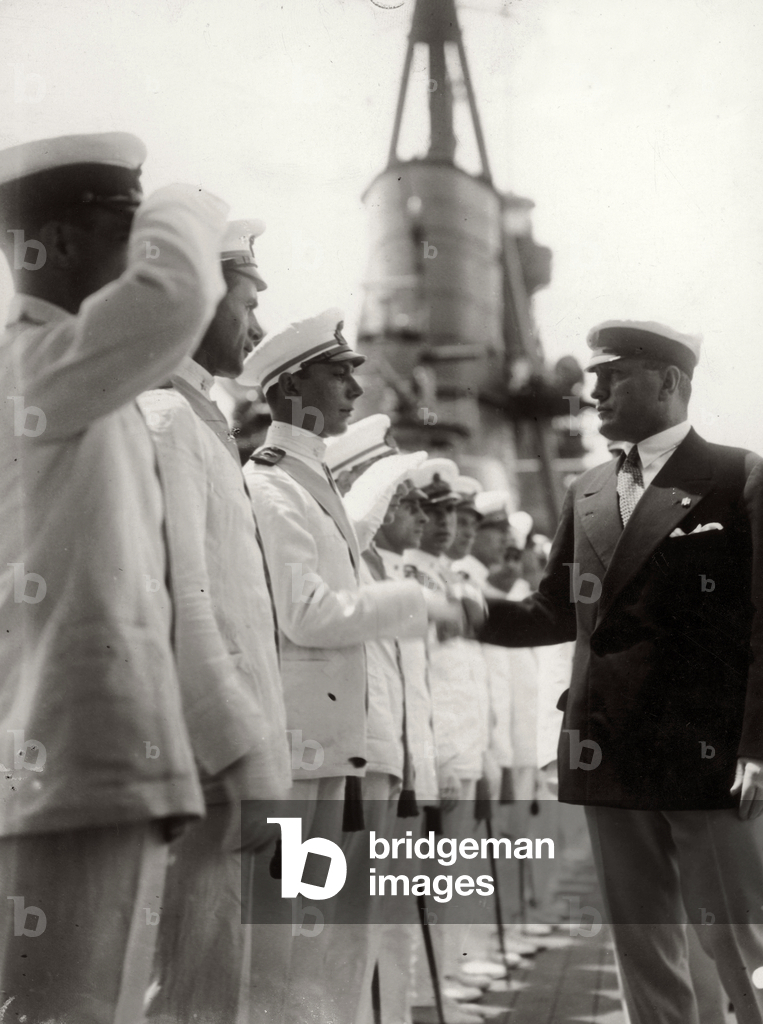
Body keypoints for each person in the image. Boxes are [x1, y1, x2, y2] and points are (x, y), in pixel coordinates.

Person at [0, 132, 228, 1023]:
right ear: (50, 243)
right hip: (70, 756)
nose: (143, 246)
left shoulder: (81, 376)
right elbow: (176, 291)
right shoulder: (37, 363)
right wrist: (189, 199)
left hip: (101, 757)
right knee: (67, 1010)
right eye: (124, 222)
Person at [478, 319, 763, 1024]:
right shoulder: (588, 488)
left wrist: (758, 746)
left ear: (668, 383)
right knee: (643, 952)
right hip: (609, 748)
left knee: (741, 943)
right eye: (595, 377)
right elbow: (551, 613)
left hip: (710, 756)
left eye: (614, 375)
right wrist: (456, 611)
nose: (593, 389)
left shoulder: (737, 475)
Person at [241, 309, 466, 1024]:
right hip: (304, 755)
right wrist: (409, 601)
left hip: (340, 750)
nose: (352, 388)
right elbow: (306, 613)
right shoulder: (274, 485)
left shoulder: (313, 484)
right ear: (288, 388)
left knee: (339, 947)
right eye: (336, 375)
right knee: (296, 954)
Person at [137, 219, 291, 1023]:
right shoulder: (166, 418)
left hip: (224, 751)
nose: (258, 326)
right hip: (206, 756)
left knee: (212, 969)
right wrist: (242, 753)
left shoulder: (200, 422)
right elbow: (183, 601)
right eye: (248, 302)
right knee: (184, 978)